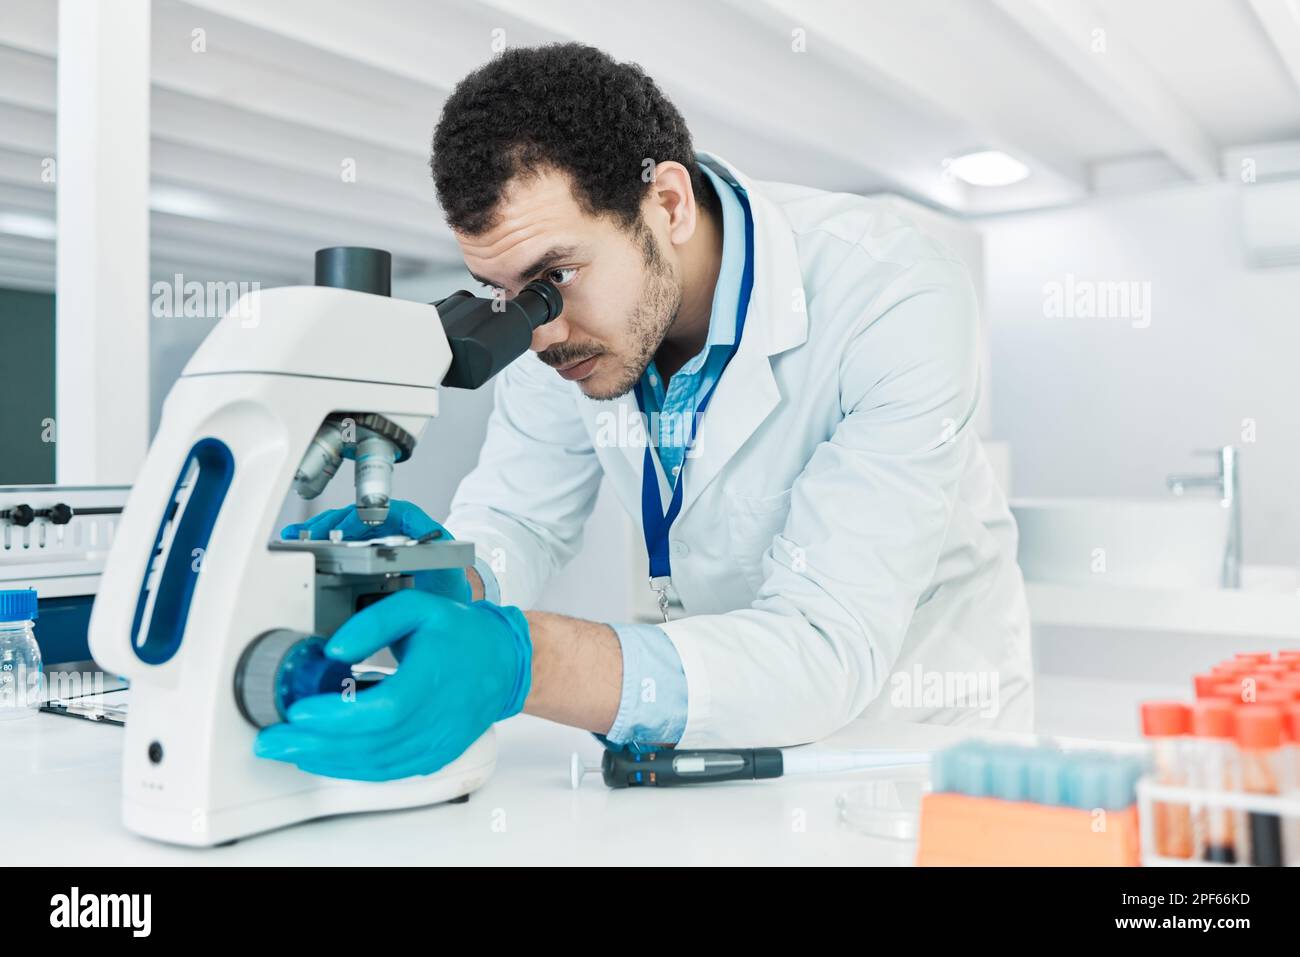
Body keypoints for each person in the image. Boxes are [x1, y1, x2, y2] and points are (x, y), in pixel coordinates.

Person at [254, 43, 1033, 782]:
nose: (540, 329)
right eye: (508, 295)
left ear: (666, 202)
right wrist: (454, 580)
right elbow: (520, 519)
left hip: (911, 737)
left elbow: (827, 642)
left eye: (555, 276)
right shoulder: (556, 331)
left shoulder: (892, 294)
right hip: (729, 718)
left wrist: (523, 661)